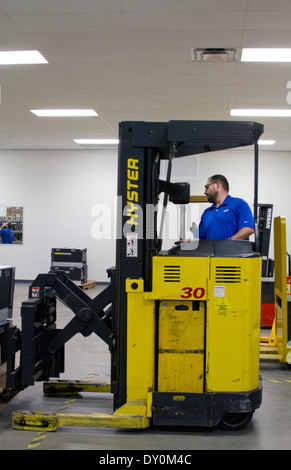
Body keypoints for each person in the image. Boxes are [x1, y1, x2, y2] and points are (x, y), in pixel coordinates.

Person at [198, 174, 254, 241]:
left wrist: (227, 243)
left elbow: (248, 229)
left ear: (217, 185)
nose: (205, 192)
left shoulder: (239, 204)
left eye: (207, 187)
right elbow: (201, 240)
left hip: (234, 251)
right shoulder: (206, 213)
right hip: (211, 251)